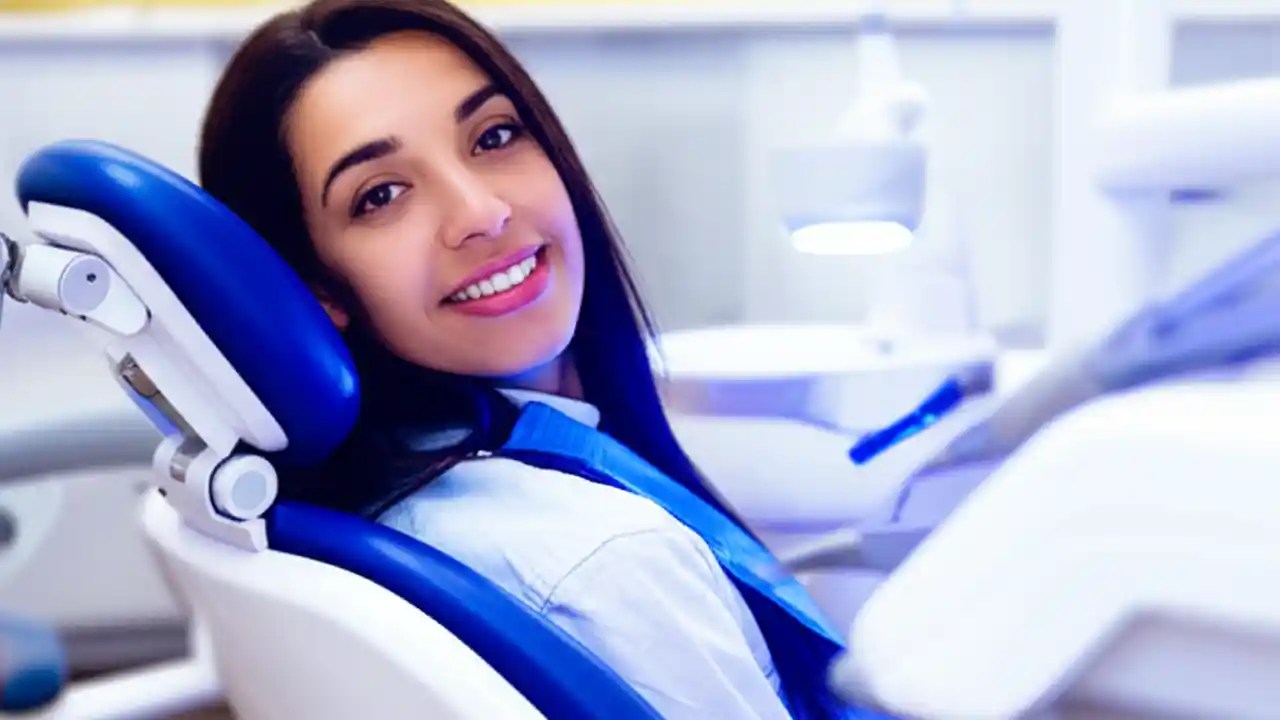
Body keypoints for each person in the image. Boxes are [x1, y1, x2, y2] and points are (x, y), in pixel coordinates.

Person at [198, 1, 848, 717]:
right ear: (318, 288)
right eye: (380, 195)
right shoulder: (603, 565)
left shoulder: (411, 501)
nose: (480, 212)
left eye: (495, 136)